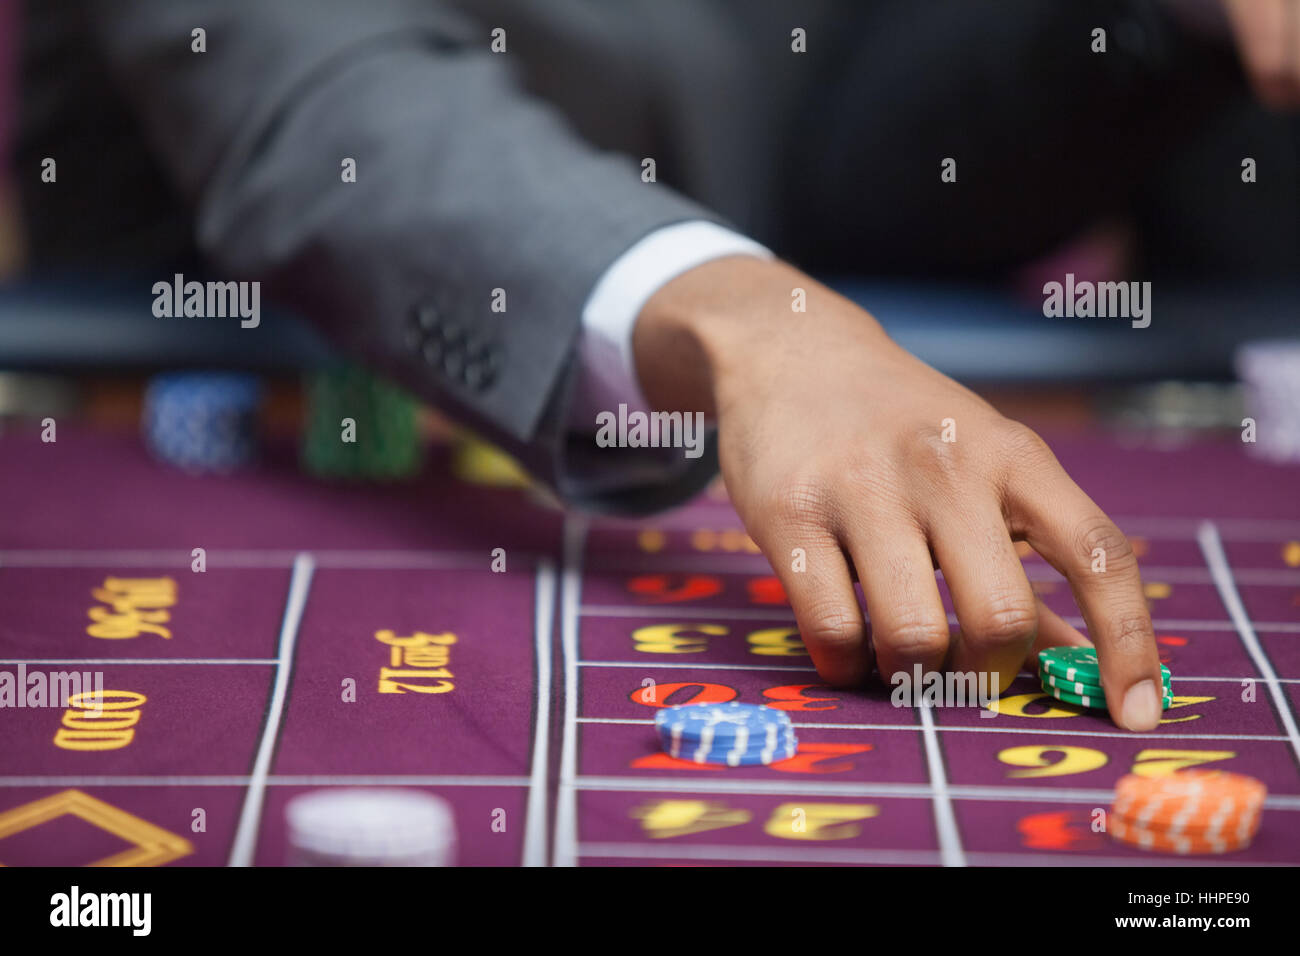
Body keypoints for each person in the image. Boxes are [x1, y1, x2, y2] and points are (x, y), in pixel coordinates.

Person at [12, 0, 1299, 731]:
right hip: (277, 367)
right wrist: (755, 326)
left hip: (880, 298)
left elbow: (857, 112)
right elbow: (328, 107)